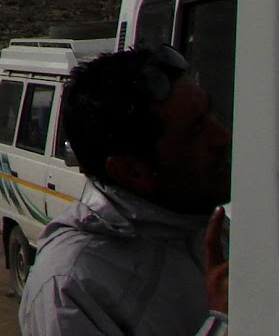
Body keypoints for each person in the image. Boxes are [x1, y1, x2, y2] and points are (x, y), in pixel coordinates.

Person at [18, 45, 231, 336]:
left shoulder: (200, 222)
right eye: (195, 131)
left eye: (212, 114)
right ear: (132, 171)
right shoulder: (70, 285)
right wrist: (224, 324)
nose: (222, 136)